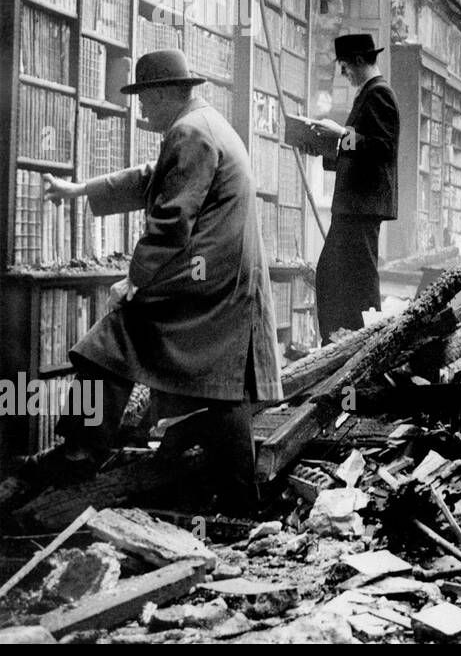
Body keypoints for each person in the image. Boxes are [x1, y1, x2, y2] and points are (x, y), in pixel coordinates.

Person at [39, 49, 281, 509]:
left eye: (147, 98)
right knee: (224, 387)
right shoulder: (202, 123)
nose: (142, 108)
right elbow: (154, 178)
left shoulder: (190, 131)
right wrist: (81, 189)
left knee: (107, 342)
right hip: (226, 278)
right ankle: (241, 502)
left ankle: (80, 453)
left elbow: (171, 219)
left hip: (208, 279)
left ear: (169, 93)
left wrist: (136, 280)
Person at [312, 33, 400, 340]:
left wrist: (339, 135)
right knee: (337, 275)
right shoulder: (370, 93)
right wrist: (325, 147)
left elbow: (383, 148)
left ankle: (365, 343)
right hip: (356, 206)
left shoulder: (379, 93)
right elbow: (362, 150)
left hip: (362, 206)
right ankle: (341, 339)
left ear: (359, 61)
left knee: (356, 278)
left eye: (345, 66)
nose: (343, 73)